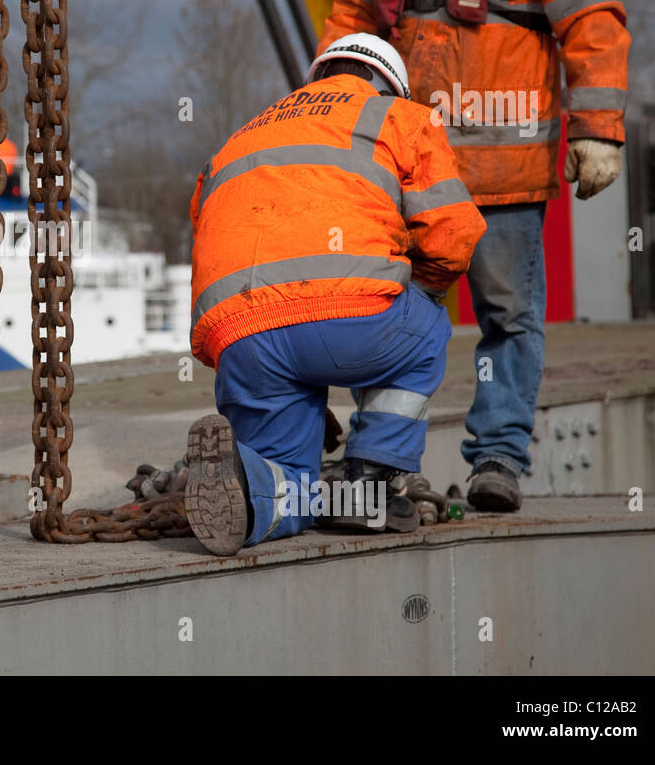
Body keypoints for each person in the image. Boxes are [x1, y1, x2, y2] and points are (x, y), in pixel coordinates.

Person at [317, 0, 630, 511]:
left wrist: (598, 129)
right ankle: (384, 462)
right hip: (407, 173)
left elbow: (592, 23)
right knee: (389, 315)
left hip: (504, 180)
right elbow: (351, 23)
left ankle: (497, 461)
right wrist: (337, 115)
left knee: (507, 320)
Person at [184, 34, 486, 555]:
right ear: (391, 84)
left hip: (241, 338)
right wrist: (419, 289)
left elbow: (211, 227)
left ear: (319, 76)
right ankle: (368, 481)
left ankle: (247, 483)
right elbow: (452, 236)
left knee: (291, 488)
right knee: (428, 328)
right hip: (351, 318)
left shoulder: (242, 135)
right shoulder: (399, 116)